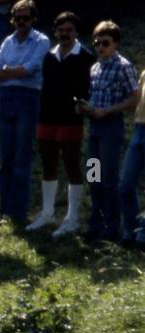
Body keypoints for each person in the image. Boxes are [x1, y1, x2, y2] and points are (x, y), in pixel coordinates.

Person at [0, 2, 49, 224]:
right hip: (5, 99)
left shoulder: (41, 41)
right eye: (18, 18)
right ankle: (4, 209)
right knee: (6, 158)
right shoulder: (8, 40)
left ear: (33, 19)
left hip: (27, 98)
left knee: (22, 157)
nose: (21, 22)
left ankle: (18, 212)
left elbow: (31, 68)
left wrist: (7, 73)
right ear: (12, 19)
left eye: (26, 18)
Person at [30, 11, 95, 236]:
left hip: (70, 118)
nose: (65, 34)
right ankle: (47, 214)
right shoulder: (49, 56)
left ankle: (73, 218)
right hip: (47, 116)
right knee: (48, 164)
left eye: (69, 31)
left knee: (72, 165)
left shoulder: (85, 56)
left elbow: (87, 89)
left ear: (76, 32)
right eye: (61, 30)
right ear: (55, 32)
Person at [79, 21, 140, 243]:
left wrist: (109, 111)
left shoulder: (123, 66)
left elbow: (135, 98)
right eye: (97, 42)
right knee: (93, 176)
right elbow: (94, 96)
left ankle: (112, 227)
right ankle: (95, 223)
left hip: (111, 128)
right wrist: (86, 107)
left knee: (109, 178)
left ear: (115, 43)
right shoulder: (95, 68)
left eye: (105, 43)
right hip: (94, 127)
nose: (100, 47)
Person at [117, 64, 145, 246]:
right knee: (125, 184)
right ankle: (131, 227)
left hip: (113, 132)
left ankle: (142, 232)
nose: (100, 46)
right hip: (139, 130)